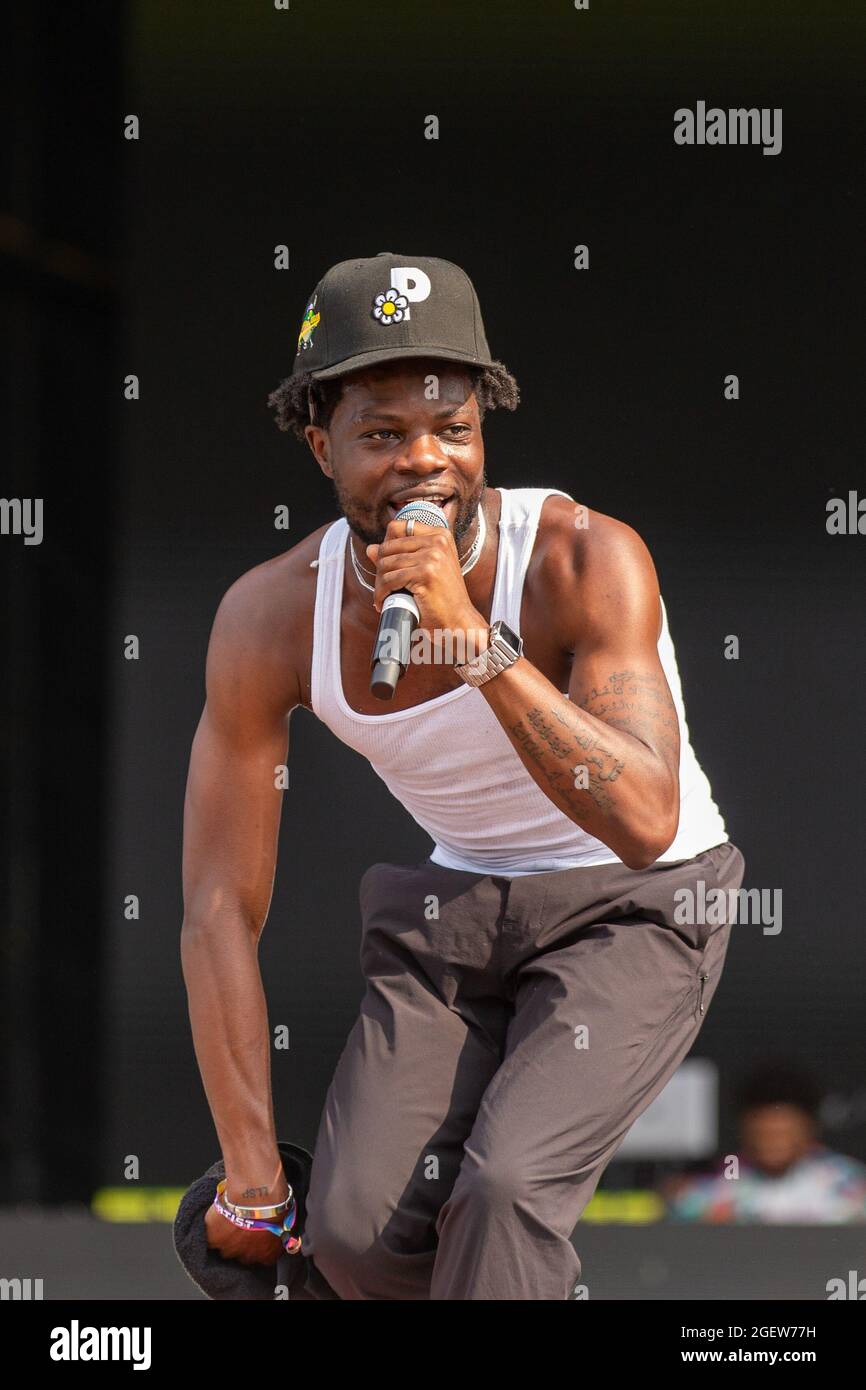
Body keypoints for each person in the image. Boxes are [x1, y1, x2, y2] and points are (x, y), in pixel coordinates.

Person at [180, 251, 746, 1299]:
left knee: (503, 1192)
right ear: (320, 445)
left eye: (452, 428)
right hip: (461, 903)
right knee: (348, 1238)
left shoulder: (582, 555)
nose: (424, 461)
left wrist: (478, 646)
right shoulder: (268, 616)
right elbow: (216, 907)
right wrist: (255, 1185)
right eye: (383, 435)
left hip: (639, 900)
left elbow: (641, 815)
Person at [664, 1063, 866, 1224]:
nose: (772, 1145)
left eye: (784, 1134)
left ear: (810, 1130)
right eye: (762, 1135)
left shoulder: (851, 1185)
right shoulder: (723, 1181)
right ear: (744, 1131)